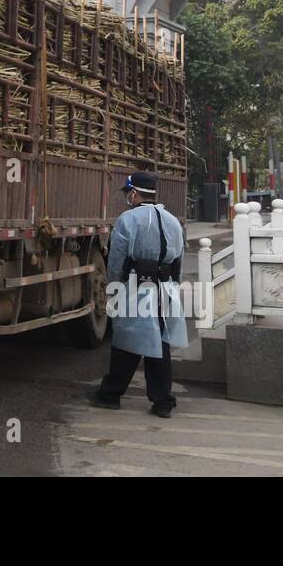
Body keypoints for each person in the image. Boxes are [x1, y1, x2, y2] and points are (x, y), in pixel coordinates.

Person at [88, 170, 188, 418]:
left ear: (133, 193)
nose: (127, 198)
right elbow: (179, 259)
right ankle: (163, 401)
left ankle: (110, 394)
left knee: (127, 341)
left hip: (136, 286)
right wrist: (173, 285)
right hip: (165, 287)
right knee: (160, 342)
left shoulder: (128, 220)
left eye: (127, 193)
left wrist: (113, 287)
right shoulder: (173, 220)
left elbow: (116, 259)